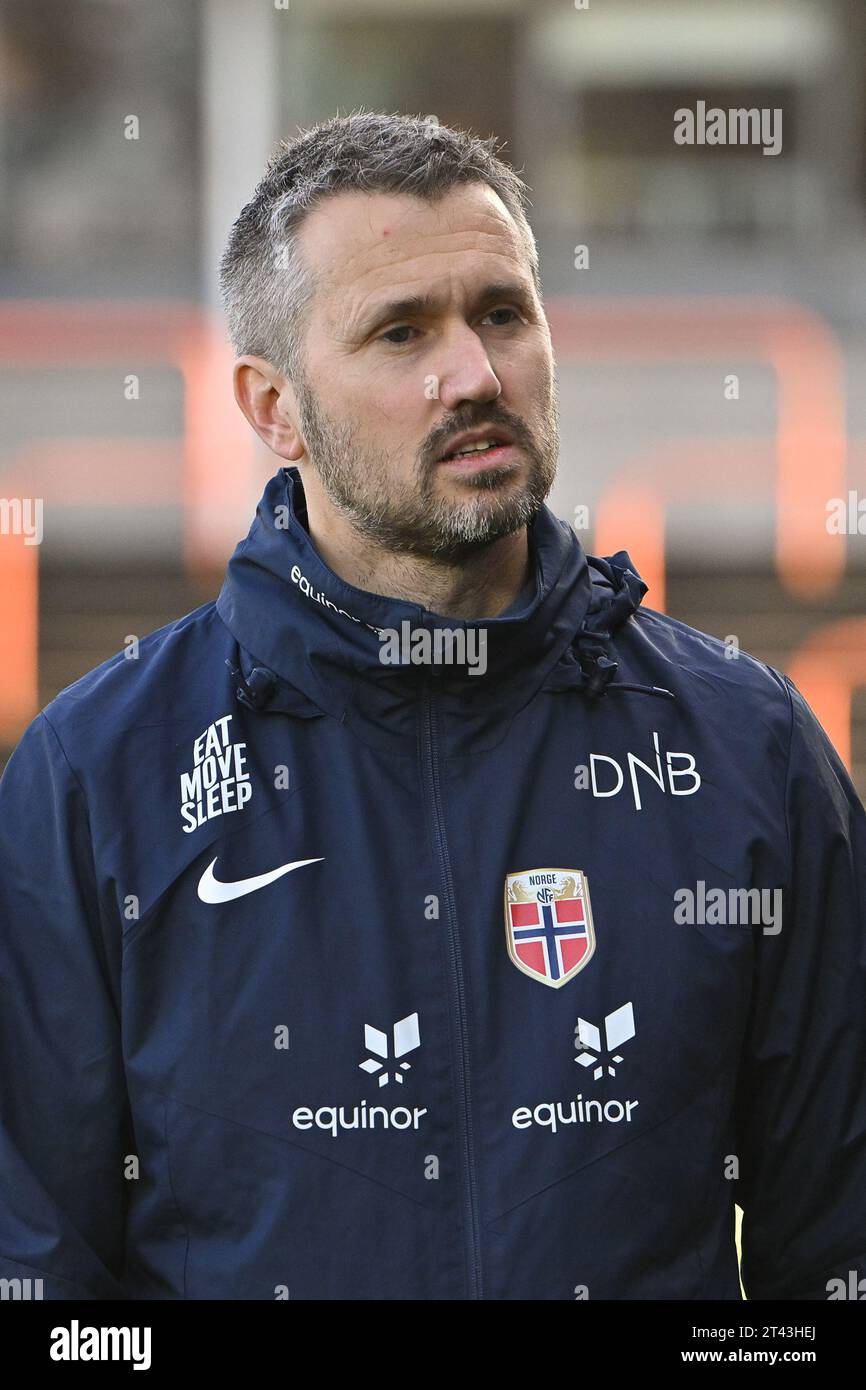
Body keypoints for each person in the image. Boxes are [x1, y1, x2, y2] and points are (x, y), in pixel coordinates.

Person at [1, 110, 865, 1301]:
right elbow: (39, 1272)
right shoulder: (95, 777)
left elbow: (832, 1252)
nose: (474, 373)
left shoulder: (747, 747)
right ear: (272, 409)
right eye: (401, 331)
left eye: (501, 313)